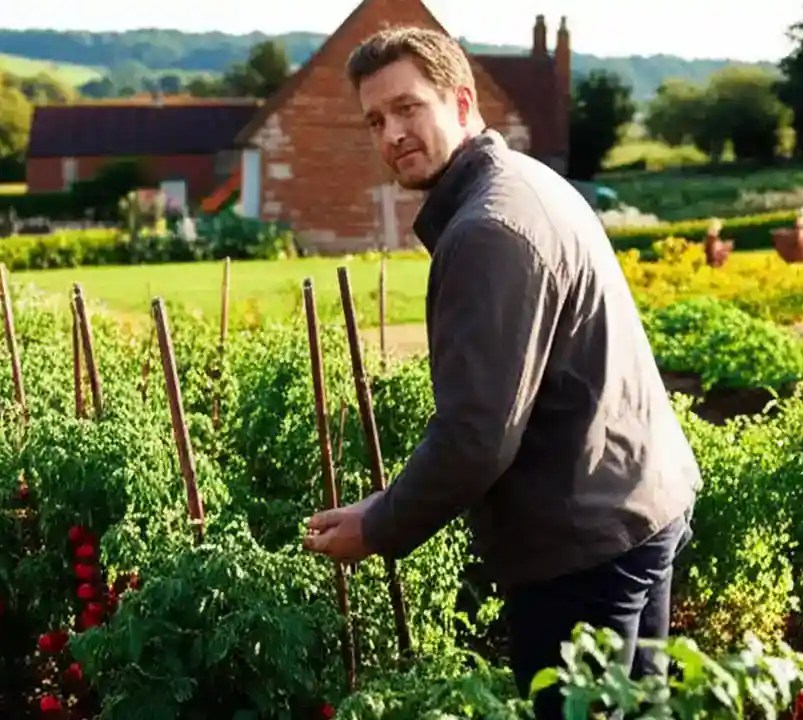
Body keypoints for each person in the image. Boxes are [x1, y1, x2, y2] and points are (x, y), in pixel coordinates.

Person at [300, 26, 700, 717]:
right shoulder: (523, 181)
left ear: (461, 102)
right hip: (633, 501)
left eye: (408, 108)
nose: (391, 133)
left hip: (582, 542)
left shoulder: (488, 228)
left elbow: (477, 435)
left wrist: (381, 525)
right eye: (375, 120)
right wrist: (386, 504)